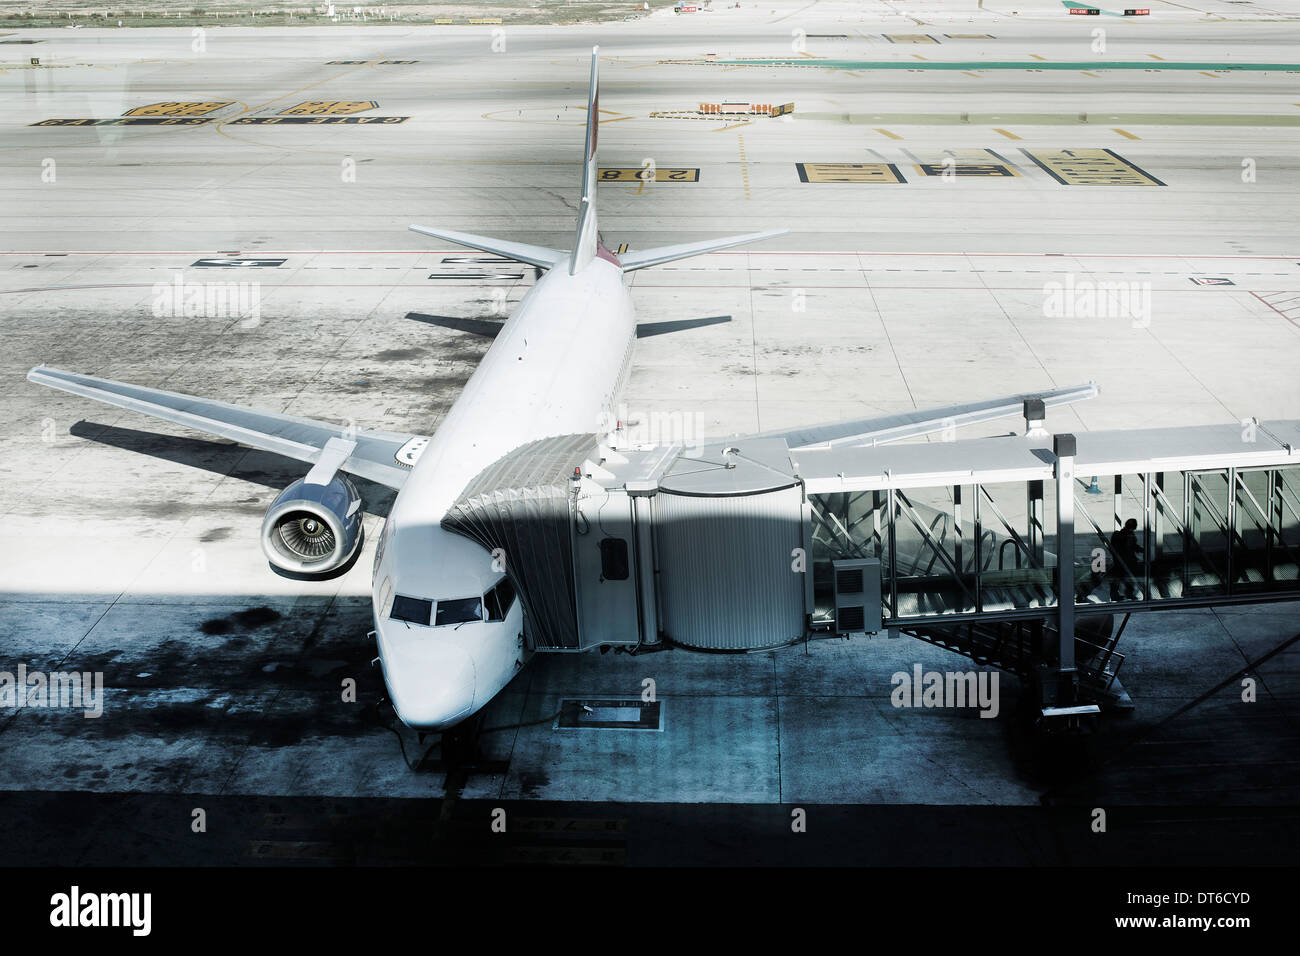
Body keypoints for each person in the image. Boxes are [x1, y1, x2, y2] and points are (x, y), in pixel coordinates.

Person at [1108, 518, 1143, 601]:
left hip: (1119, 561)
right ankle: (1128, 594)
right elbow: (1130, 547)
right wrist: (1140, 550)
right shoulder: (1129, 535)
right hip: (1126, 561)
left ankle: (1115, 595)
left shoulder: (1118, 534)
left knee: (1118, 578)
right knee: (1127, 578)